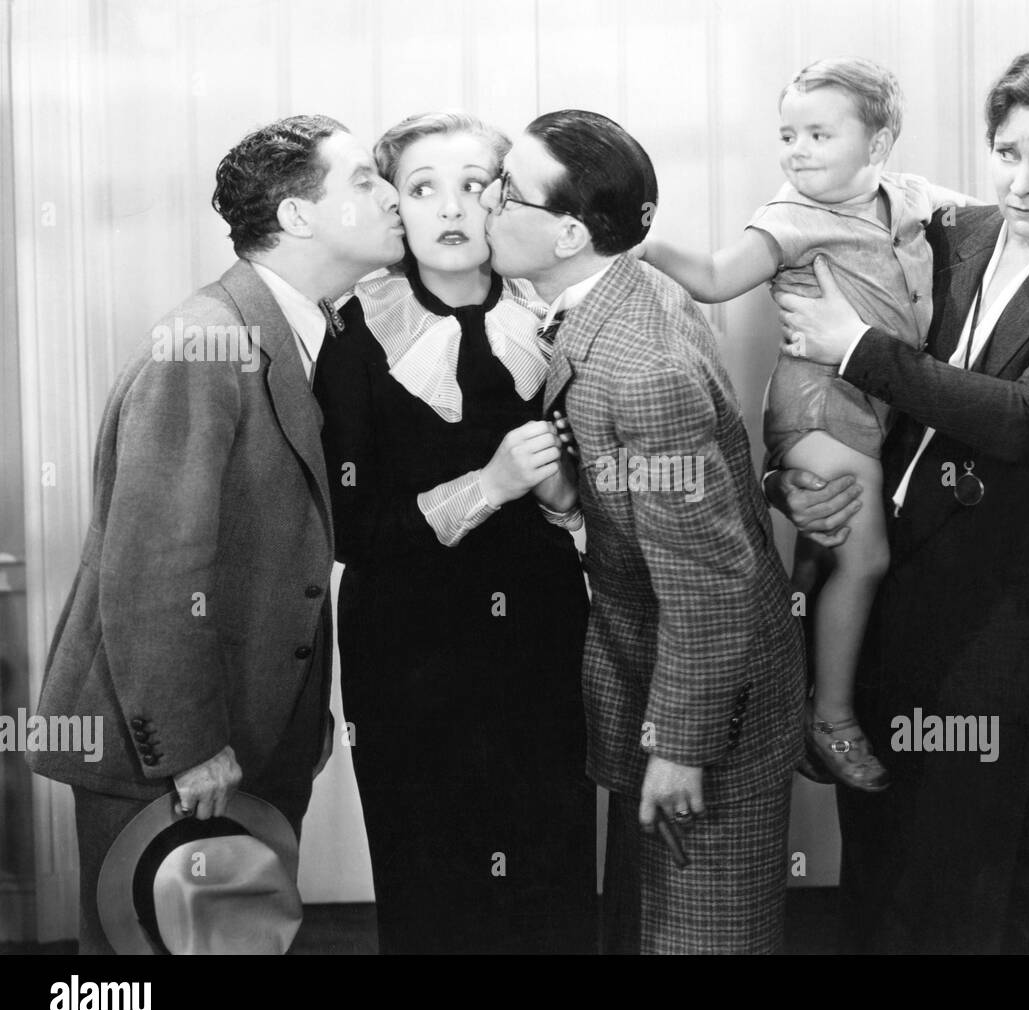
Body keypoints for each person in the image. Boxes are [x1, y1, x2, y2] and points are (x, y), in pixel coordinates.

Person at [769, 47, 1029, 952]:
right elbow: (855, 409)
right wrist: (785, 479)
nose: (1021, 181)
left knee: (962, 904)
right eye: (1006, 151)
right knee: (873, 885)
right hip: (880, 607)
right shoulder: (955, 231)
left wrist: (857, 345)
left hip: (998, 629)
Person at [27, 114, 407, 954]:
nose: (392, 198)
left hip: (251, 739)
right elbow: (153, 566)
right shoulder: (205, 344)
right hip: (174, 754)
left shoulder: (310, 332)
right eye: (365, 182)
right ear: (300, 217)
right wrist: (192, 747)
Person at [482, 110, 805, 954]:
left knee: (702, 934)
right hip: (658, 675)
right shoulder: (617, 288)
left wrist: (681, 749)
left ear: (567, 234)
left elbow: (710, 583)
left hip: (712, 695)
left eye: (504, 190)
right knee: (653, 922)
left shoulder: (641, 372)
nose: (485, 201)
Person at [639, 56, 971, 792]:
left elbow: (992, 222)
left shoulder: (910, 196)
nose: (797, 150)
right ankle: (832, 716)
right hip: (820, 404)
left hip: (884, 403)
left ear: (879, 145)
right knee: (867, 558)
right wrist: (645, 247)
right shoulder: (790, 215)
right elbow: (720, 277)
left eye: (819, 134)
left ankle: (793, 702)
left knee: (822, 558)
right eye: (788, 134)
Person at [312, 112, 596, 954]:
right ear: (395, 205)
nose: (452, 208)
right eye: (423, 187)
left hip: (543, 632)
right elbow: (350, 528)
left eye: (476, 186)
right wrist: (490, 484)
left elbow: (596, 501)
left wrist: (558, 495)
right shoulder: (355, 331)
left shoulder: (559, 317)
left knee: (550, 859)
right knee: (430, 872)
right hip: (409, 649)